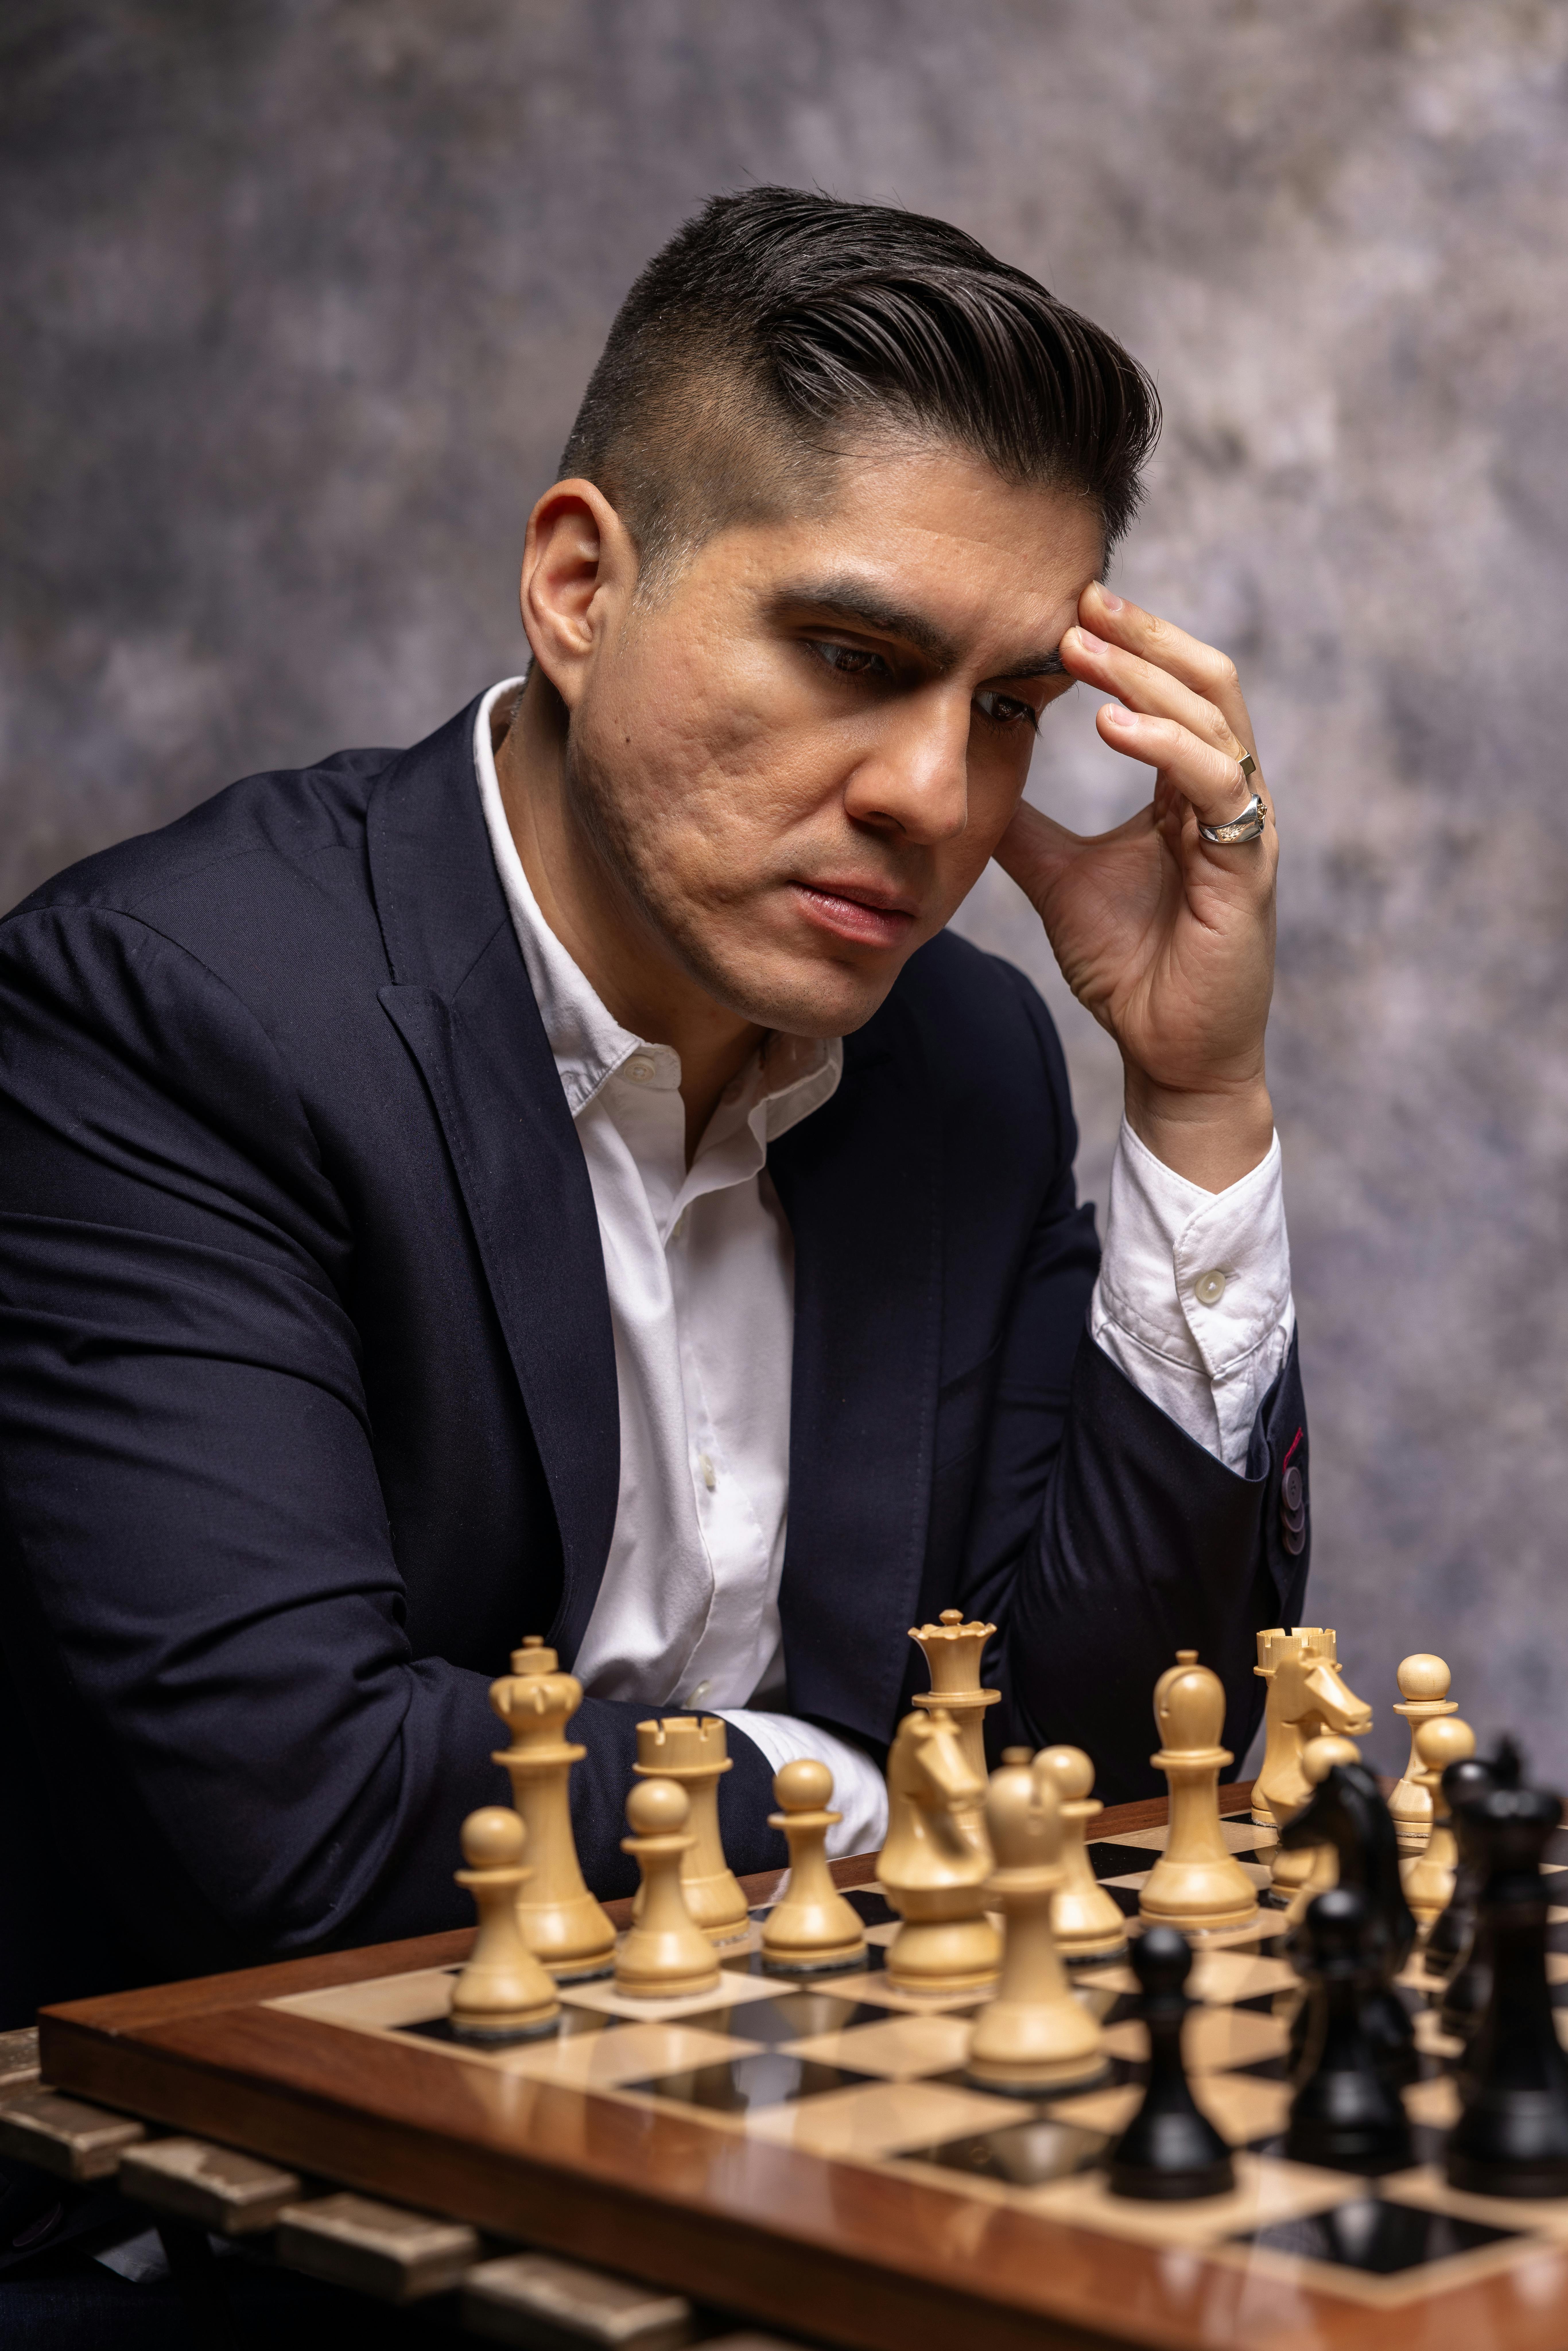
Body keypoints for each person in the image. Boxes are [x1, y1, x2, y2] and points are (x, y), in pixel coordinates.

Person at [0, 189, 1305, 2029]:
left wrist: (1194, 1089)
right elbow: (288, 1820)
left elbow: (1100, 1759)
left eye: (1009, 704)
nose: (934, 796)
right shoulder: (173, 1017)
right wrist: (854, 1790)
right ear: (579, 588)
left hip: (780, 2146)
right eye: (854, 658)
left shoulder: (965, 1060)